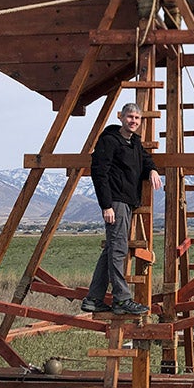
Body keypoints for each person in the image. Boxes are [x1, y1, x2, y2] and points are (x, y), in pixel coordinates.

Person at [81, 102, 162, 315]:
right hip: (115, 202)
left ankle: (93, 299)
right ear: (121, 117)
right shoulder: (109, 141)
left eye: (137, 118)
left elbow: (145, 160)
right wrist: (106, 206)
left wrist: (152, 169)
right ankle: (121, 300)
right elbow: (99, 173)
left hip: (127, 201)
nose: (133, 121)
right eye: (130, 117)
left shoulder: (134, 142)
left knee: (111, 250)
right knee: (118, 250)